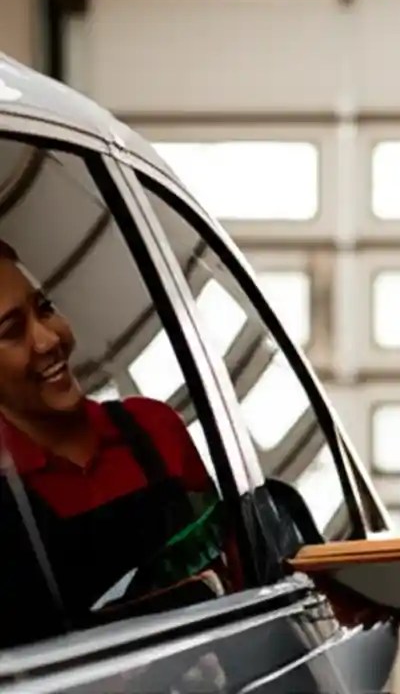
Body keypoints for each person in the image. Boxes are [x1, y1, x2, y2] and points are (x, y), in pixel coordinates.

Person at [0, 239, 230, 647]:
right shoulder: (6, 495)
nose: (49, 340)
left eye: (45, 309)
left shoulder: (152, 428)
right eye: (12, 332)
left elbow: (236, 567)